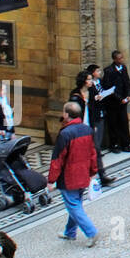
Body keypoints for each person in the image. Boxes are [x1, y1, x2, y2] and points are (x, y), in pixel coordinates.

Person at [46, 101, 99, 246]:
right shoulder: (87, 129)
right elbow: (92, 153)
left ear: (67, 115)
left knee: (74, 206)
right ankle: (70, 232)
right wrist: (93, 171)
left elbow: (57, 159)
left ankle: (91, 232)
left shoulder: (65, 134)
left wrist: (51, 180)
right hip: (83, 175)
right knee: (75, 203)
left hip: (69, 177)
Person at [69, 71, 113, 187]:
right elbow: (72, 112)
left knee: (96, 150)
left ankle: (102, 175)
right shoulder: (75, 94)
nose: (91, 81)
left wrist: (95, 125)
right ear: (83, 81)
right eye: (88, 79)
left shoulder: (92, 90)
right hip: (79, 128)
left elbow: (95, 109)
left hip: (90, 125)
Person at [101, 51, 130, 152]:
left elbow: (127, 83)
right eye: (119, 58)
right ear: (114, 59)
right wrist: (120, 99)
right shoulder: (108, 71)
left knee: (124, 122)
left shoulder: (123, 68)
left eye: (122, 58)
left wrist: (128, 95)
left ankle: (126, 143)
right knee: (113, 123)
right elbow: (108, 88)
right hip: (113, 102)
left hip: (123, 101)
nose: (121, 60)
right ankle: (114, 144)